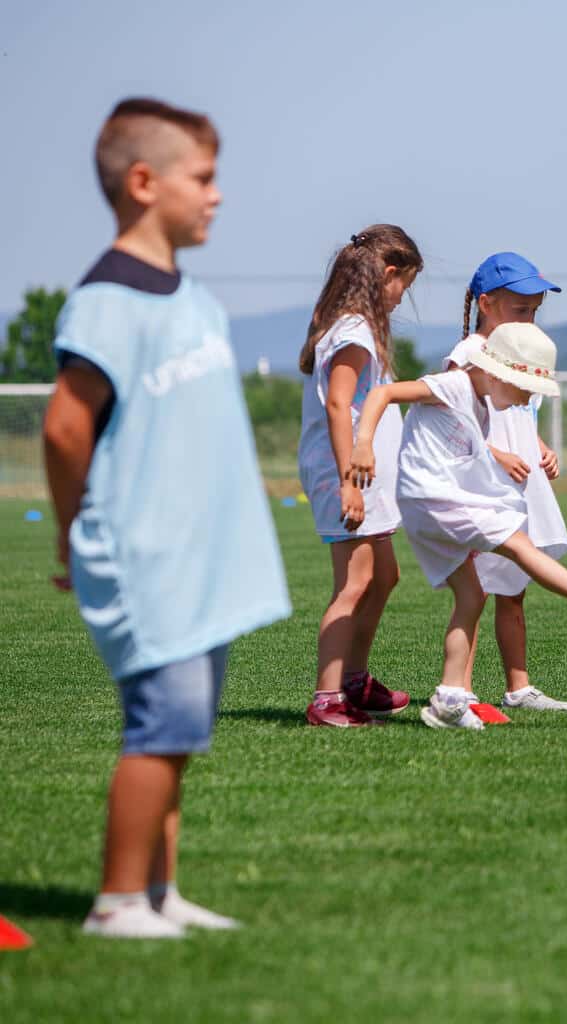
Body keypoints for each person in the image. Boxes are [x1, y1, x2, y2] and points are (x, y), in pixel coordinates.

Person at [42, 98, 291, 938]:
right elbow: (66, 427)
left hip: (198, 558)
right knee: (163, 723)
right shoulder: (106, 299)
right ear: (144, 183)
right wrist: (75, 534)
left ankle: (160, 893)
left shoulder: (195, 299)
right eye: (205, 177)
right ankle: (116, 904)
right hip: (146, 556)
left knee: (183, 730)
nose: (218, 195)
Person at [349, 322, 567, 730]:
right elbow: (383, 393)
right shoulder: (453, 385)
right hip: (434, 498)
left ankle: (449, 700)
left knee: (471, 596)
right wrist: (364, 443)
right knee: (522, 545)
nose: (526, 398)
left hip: (426, 506)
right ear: (496, 373)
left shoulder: (482, 406)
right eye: (523, 387)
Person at [296, 226, 422, 727]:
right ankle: (328, 697)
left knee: (384, 576)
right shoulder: (352, 331)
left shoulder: (353, 327)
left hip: (366, 479)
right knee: (355, 582)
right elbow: (337, 404)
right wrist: (349, 480)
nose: (401, 299)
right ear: (388, 275)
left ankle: (355, 680)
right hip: (343, 476)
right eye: (404, 287)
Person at [441, 252, 567, 713]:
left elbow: (518, 412)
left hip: (516, 488)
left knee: (513, 590)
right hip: (480, 488)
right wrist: (496, 453)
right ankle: (462, 693)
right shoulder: (466, 357)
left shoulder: (520, 354)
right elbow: (455, 421)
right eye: (520, 310)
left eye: (534, 311)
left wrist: (539, 446)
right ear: (486, 304)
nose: (529, 320)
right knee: (474, 592)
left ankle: (519, 688)